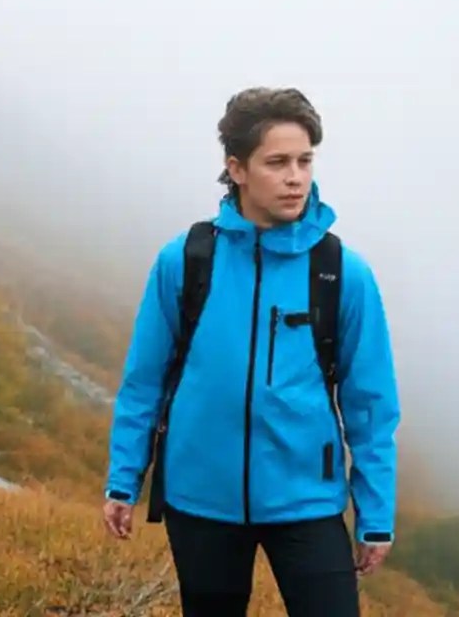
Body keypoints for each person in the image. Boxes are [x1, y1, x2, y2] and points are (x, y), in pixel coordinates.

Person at [101, 86, 401, 616]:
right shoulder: (187, 260)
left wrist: (375, 513)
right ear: (236, 168)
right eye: (277, 162)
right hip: (201, 499)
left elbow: (371, 406)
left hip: (306, 500)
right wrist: (124, 478)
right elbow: (145, 380)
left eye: (305, 160)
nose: (296, 177)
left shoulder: (340, 272)